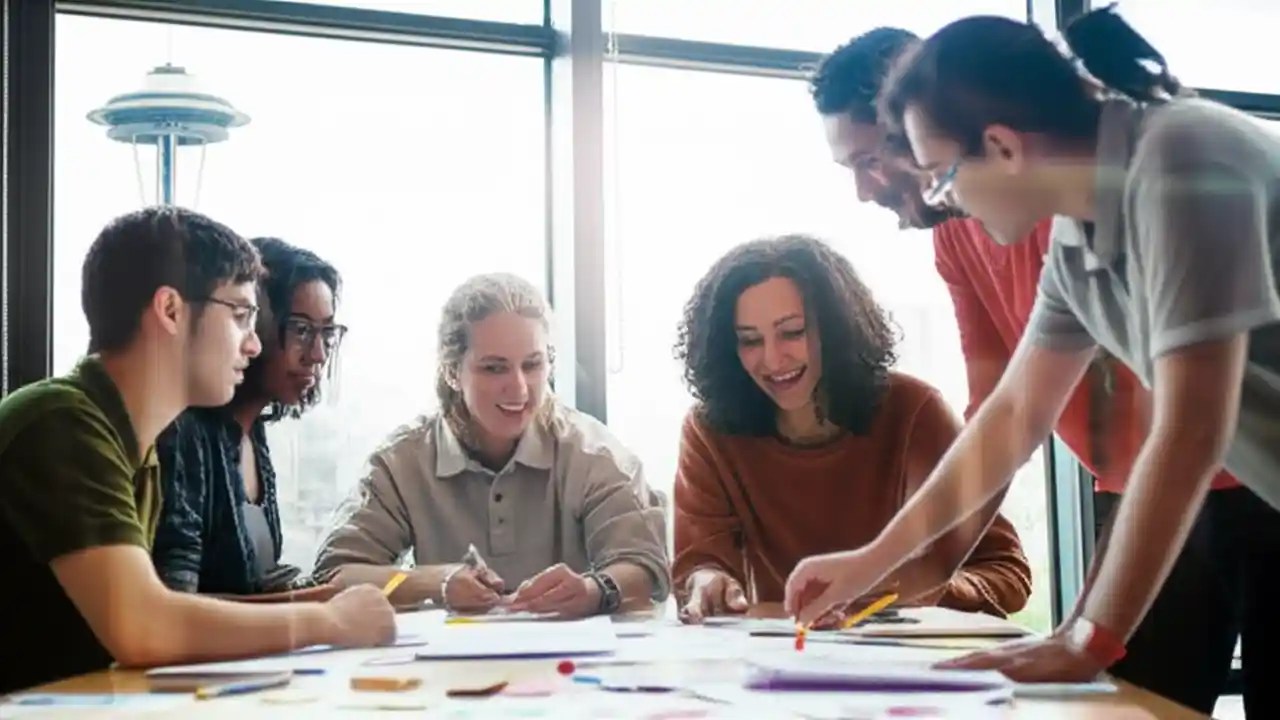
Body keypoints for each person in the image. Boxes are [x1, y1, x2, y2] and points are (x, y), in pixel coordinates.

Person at [785, 8, 1280, 713]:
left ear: (1003, 147)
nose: (938, 196)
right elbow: (1012, 418)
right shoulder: (1076, 245)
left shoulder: (1181, 158)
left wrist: (1087, 638)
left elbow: (1190, 427)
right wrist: (869, 564)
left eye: (941, 172)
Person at [0, 207, 393, 694]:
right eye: (242, 315)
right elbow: (143, 626)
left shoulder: (135, 449)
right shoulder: (61, 423)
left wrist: (324, 604)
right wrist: (325, 622)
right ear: (170, 311)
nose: (253, 345)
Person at [672, 234, 1031, 625]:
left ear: (836, 328)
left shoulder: (914, 412)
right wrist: (707, 583)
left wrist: (899, 593)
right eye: (750, 341)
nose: (773, 359)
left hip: (910, 664)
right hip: (785, 663)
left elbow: (1006, 572)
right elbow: (697, 568)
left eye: (793, 332)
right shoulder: (711, 432)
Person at [313, 272, 670, 618]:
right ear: (452, 371)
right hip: (444, 668)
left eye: (532, 365)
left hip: (571, 665)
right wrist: (437, 582)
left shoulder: (592, 453)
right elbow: (336, 576)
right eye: (494, 368)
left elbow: (647, 567)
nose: (519, 388)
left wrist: (595, 590)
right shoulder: (402, 462)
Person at [153, 237, 347, 596]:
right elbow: (176, 604)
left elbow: (256, 584)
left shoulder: (253, 431)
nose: (317, 354)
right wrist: (317, 607)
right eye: (301, 330)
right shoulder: (185, 432)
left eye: (327, 333)